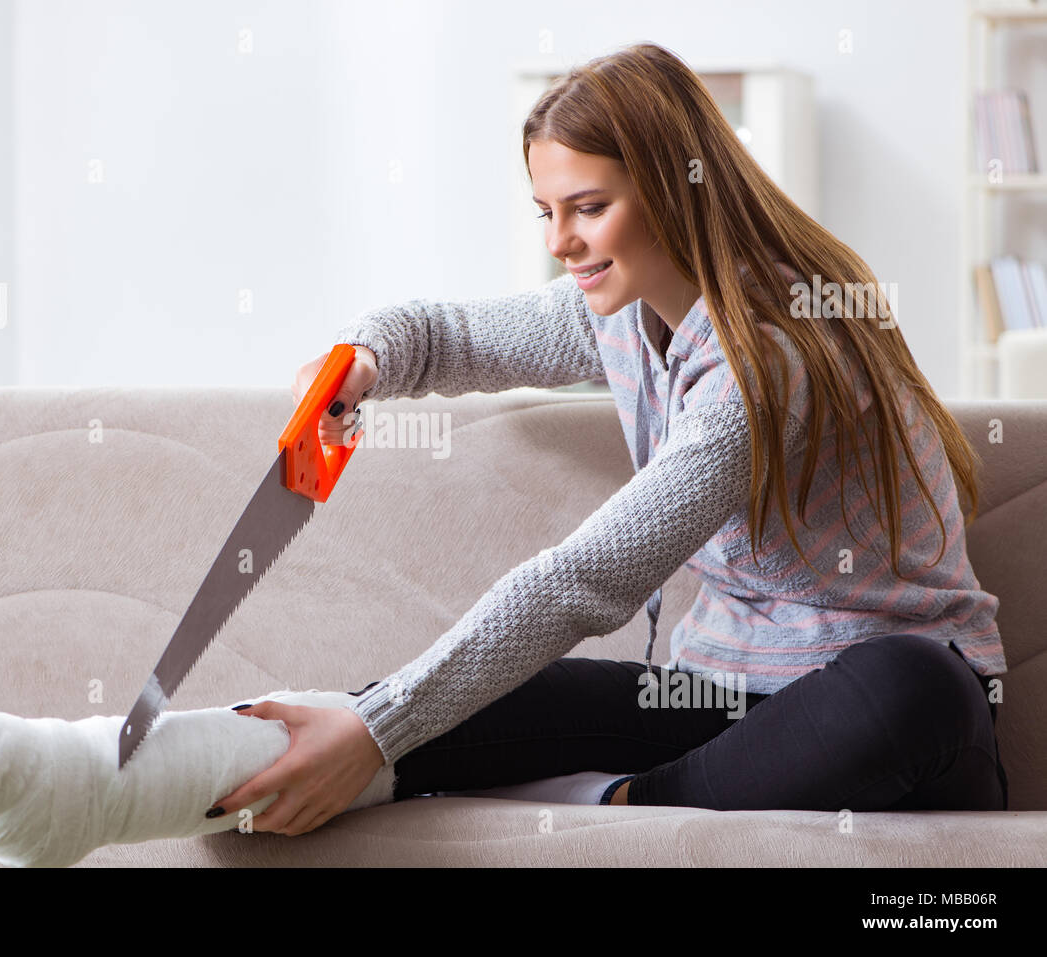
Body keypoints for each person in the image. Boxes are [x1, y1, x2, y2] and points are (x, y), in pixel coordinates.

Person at [207, 41, 1009, 834]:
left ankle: (624, 803)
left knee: (911, 685)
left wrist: (382, 728)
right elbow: (450, 334)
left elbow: (583, 581)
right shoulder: (625, 310)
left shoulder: (771, 360)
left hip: (889, 716)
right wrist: (362, 359)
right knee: (536, 692)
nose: (559, 241)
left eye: (589, 208)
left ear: (676, 191)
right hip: (723, 700)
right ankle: (283, 754)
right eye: (547, 211)